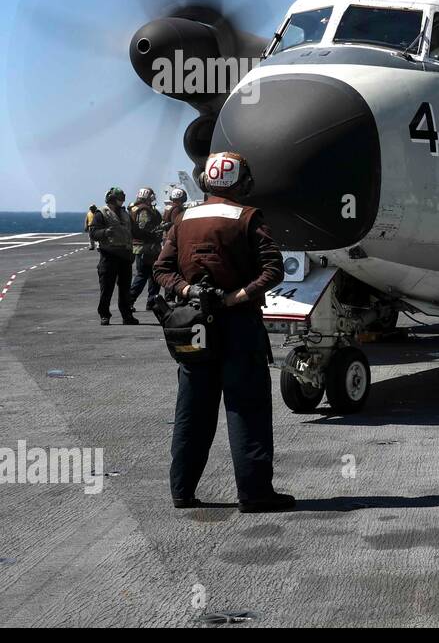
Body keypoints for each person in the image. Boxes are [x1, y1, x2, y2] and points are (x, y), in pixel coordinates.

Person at [152, 151, 293, 513]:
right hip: (239, 326)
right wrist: (236, 296)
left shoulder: (182, 218)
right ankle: (255, 493)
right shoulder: (248, 217)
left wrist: (189, 291)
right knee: (246, 410)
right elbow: (273, 270)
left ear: (206, 181)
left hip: (194, 326)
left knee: (192, 411)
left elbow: (162, 270)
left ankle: (182, 491)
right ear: (242, 182)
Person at [87, 187, 143, 326]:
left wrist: (151, 235)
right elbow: (93, 233)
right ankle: (104, 315)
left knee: (125, 289)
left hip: (125, 256)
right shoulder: (102, 213)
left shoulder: (125, 214)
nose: (122, 200)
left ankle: (127, 315)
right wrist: (105, 232)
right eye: (119, 198)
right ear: (112, 199)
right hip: (109, 256)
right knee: (107, 288)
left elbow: (135, 231)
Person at [128, 187, 164, 312]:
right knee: (143, 275)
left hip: (145, 248)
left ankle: (152, 302)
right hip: (146, 248)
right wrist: (158, 231)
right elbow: (143, 226)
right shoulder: (143, 210)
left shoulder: (136, 208)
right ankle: (130, 301)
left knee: (153, 276)